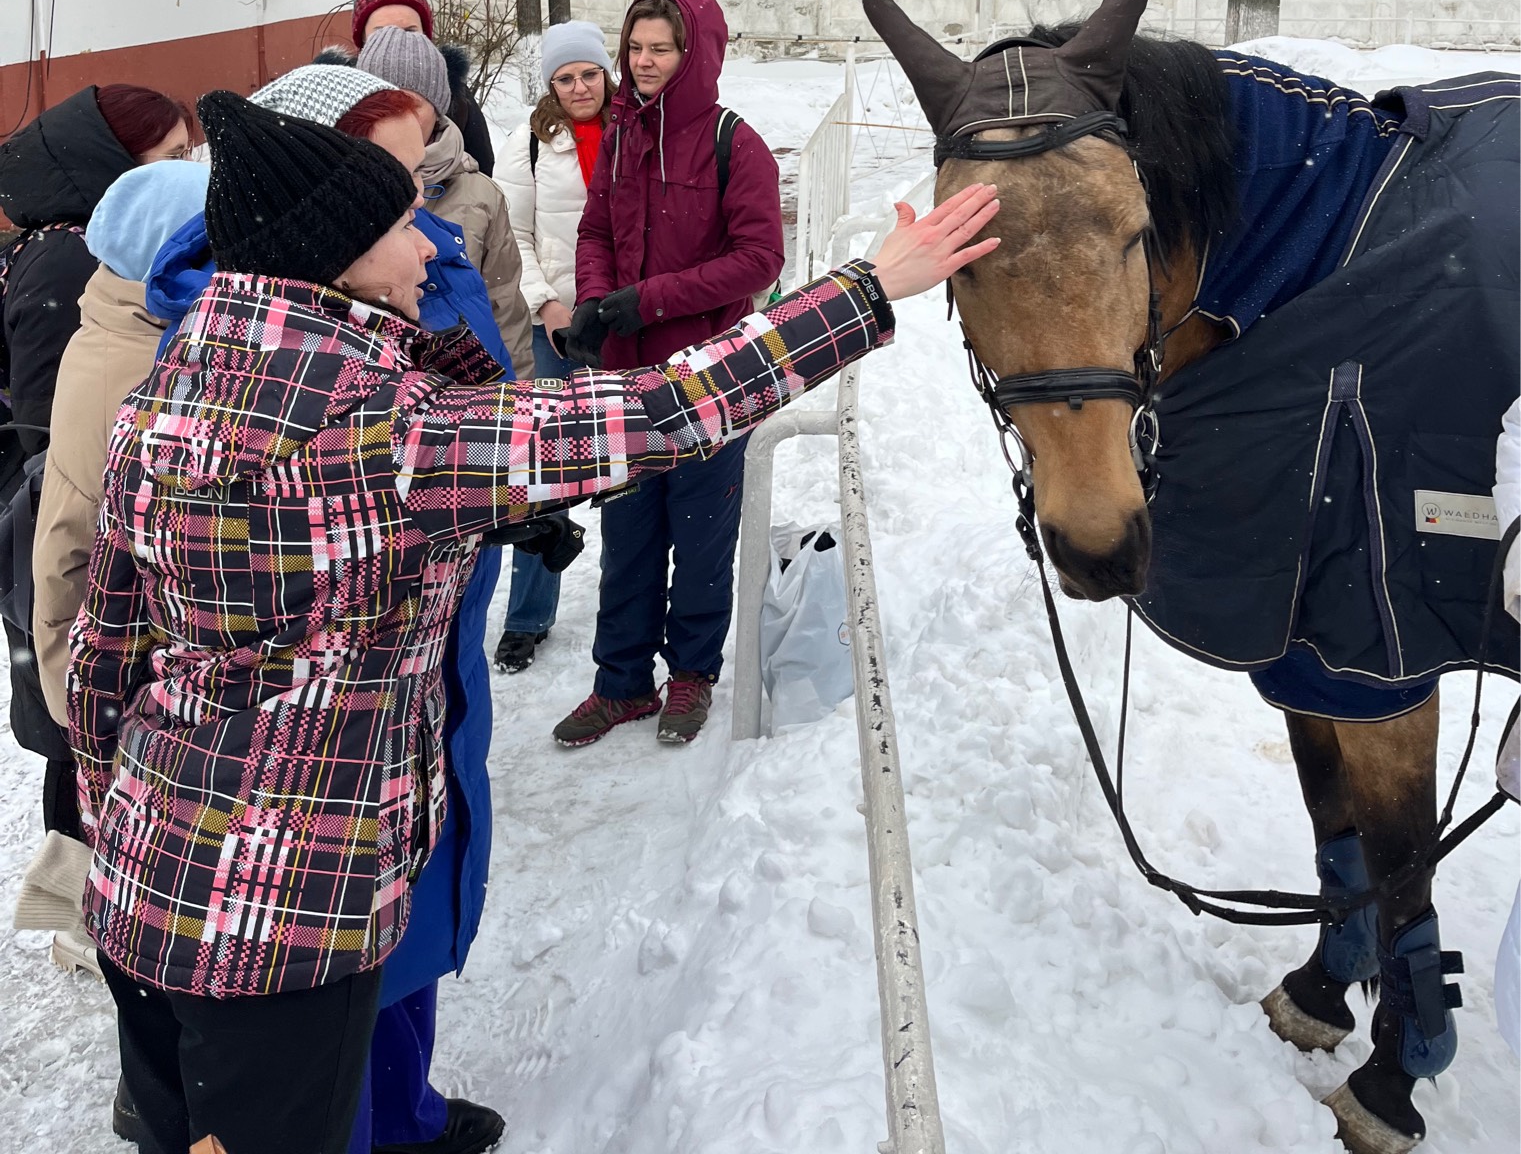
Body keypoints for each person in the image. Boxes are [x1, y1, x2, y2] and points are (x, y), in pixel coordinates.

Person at [70, 84, 999, 1154]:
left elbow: (106, 656)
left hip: (144, 876)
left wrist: (122, 827)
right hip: (284, 925)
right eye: (395, 220)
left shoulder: (173, 386)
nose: (426, 241)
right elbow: (660, 413)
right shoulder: (382, 427)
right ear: (326, 252)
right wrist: (871, 287)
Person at [143, 62, 518, 1154]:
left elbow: (478, 420)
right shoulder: (225, 368)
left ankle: (408, 1110)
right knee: (336, 984)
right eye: (402, 188)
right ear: (321, 207)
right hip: (315, 767)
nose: (433, 228)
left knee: (416, 914)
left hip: (429, 655)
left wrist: (496, 509)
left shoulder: (411, 273)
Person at [556, 0, 784, 749]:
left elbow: (758, 259)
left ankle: (691, 674)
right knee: (627, 538)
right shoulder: (619, 137)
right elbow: (594, 232)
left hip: (708, 380)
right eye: (636, 47)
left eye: (661, 48)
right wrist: (595, 302)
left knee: (701, 538)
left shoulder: (734, 143)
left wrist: (645, 301)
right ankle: (620, 683)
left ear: (697, 54)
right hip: (627, 380)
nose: (644, 62)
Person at [0, 83, 191, 841]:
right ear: (115, 163)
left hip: (61, 532)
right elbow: (59, 440)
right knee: (76, 741)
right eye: (171, 157)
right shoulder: (74, 261)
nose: (186, 171)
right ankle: (80, 900)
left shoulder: (85, 242)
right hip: (52, 529)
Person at [495, 19, 617, 671]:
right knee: (541, 475)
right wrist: (546, 301)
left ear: (606, 73)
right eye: (564, 78)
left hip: (627, 323)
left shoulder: (635, 131)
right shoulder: (531, 145)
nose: (578, 87)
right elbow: (510, 236)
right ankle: (525, 618)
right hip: (557, 330)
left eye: (588, 74)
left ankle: (632, 614)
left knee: (636, 468)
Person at [357, 25, 532, 375]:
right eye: (380, 100)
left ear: (437, 109)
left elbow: (506, 308)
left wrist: (517, 394)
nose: (394, 115)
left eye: (411, 103)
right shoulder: (339, 199)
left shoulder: (480, 195)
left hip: (478, 396)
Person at [349, 0, 495, 176]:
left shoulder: (457, 99)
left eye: (409, 31)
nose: (396, 41)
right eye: (381, 32)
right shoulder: (337, 103)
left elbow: (482, 172)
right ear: (362, 41)